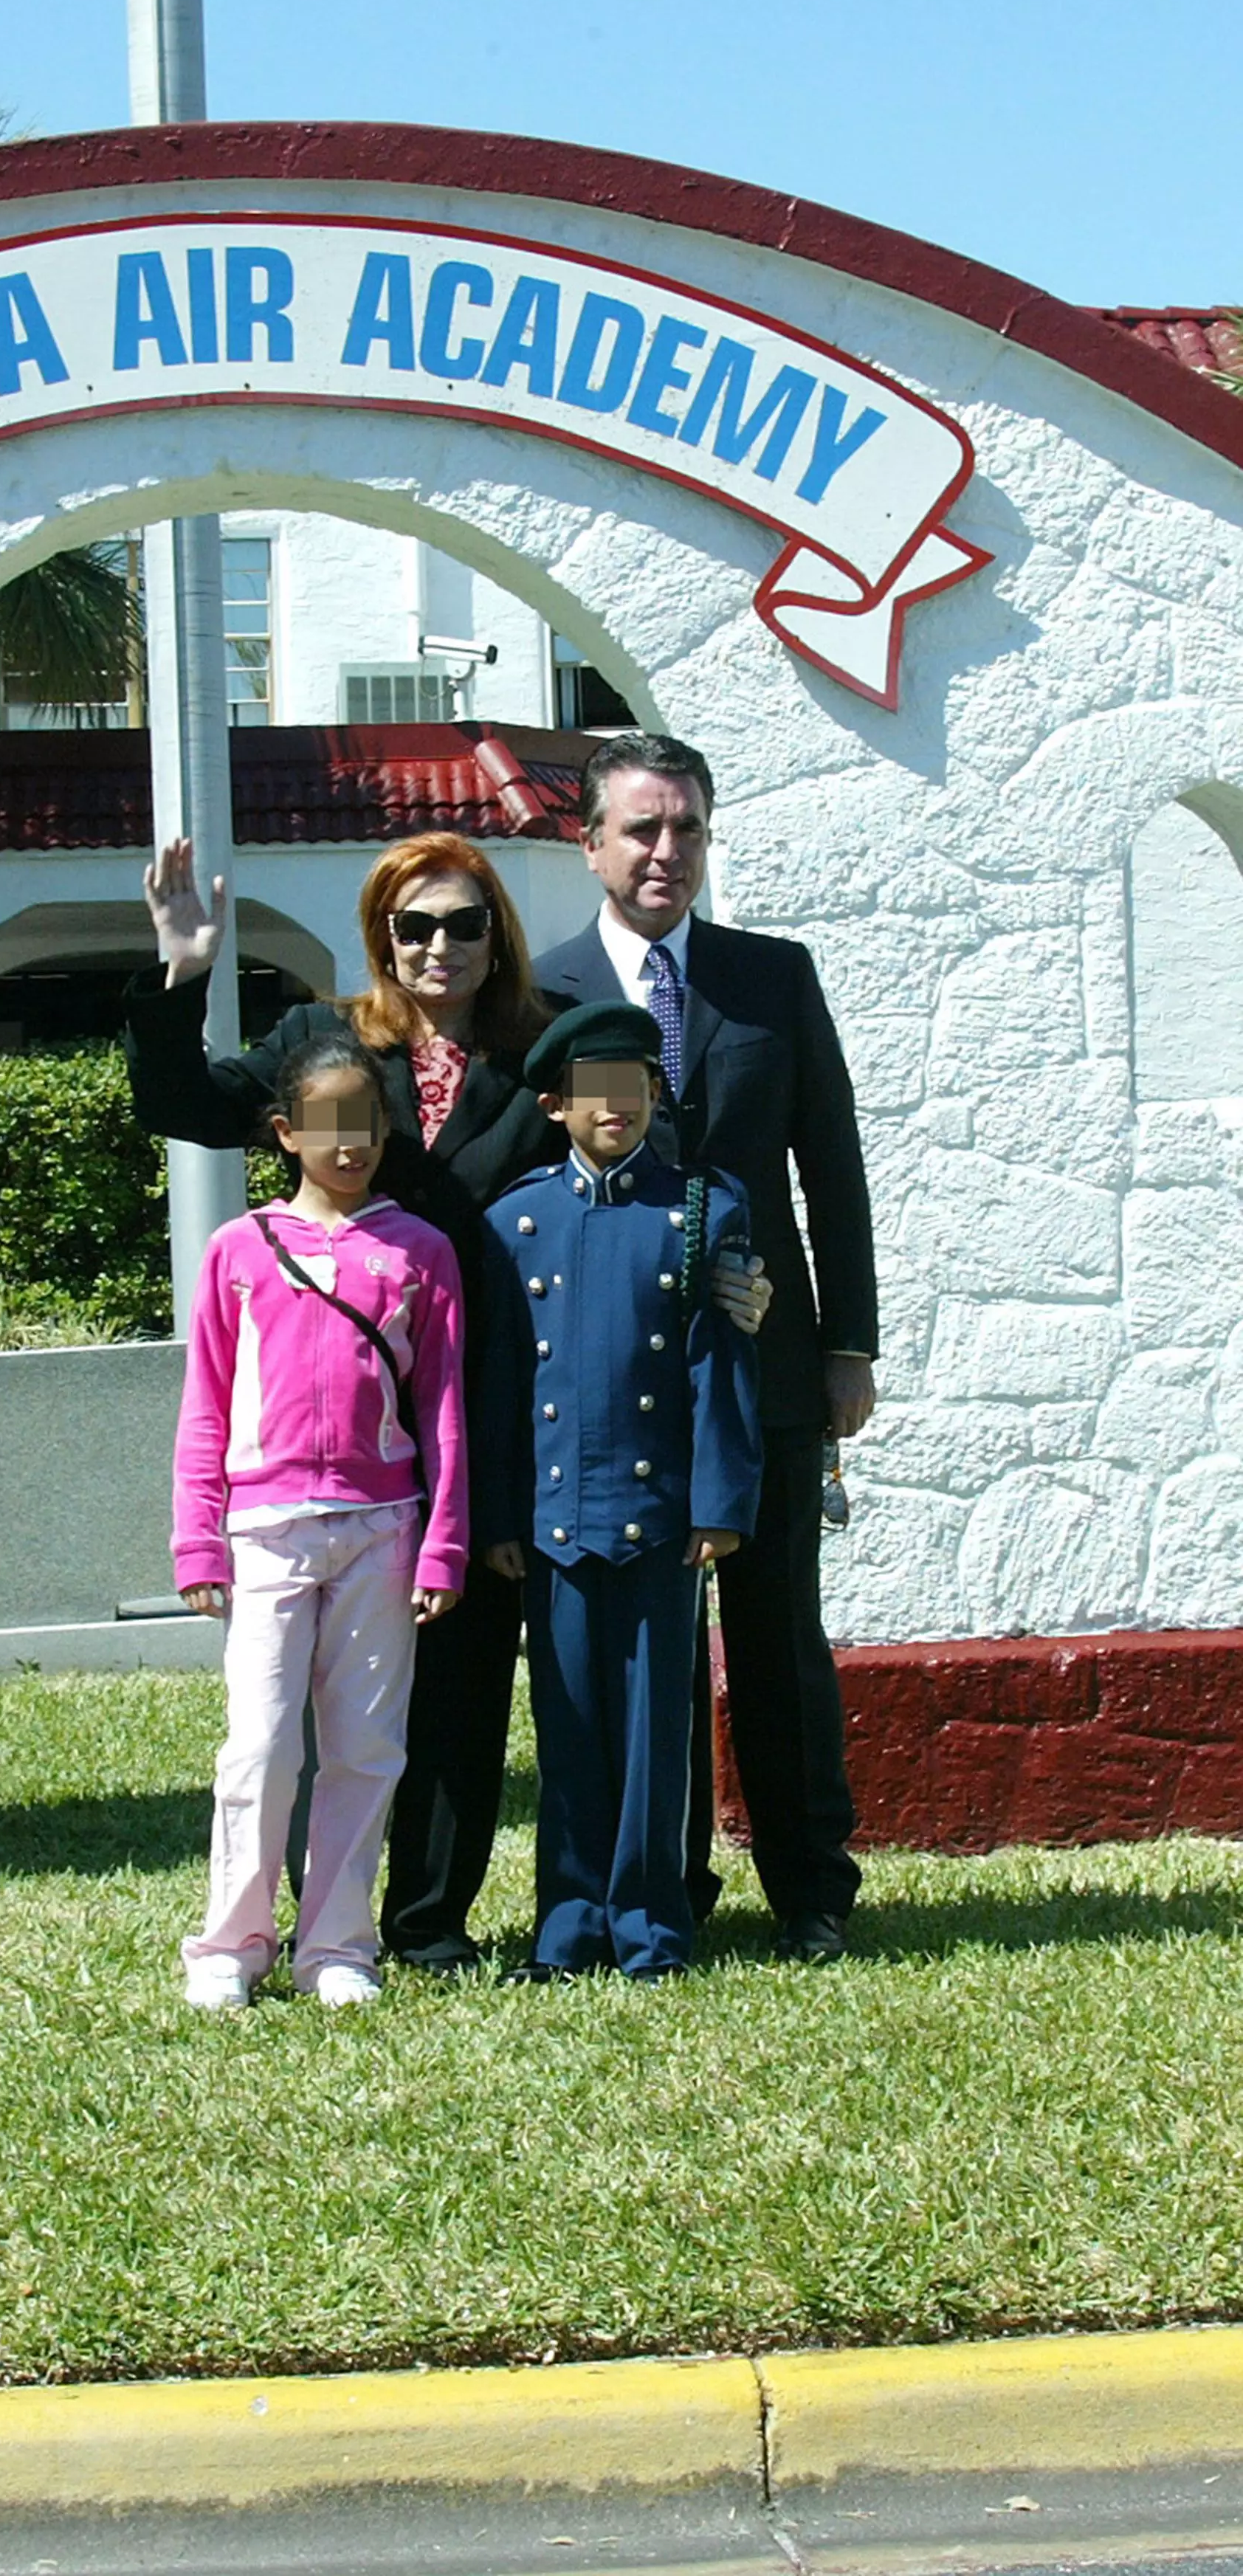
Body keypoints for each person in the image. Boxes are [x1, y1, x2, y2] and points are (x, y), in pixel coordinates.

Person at [128, 827, 769, 1973]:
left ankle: (453, 1921)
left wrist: (738, 1273)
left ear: (496, 937)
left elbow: (654, 1182)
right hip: (360, 1427)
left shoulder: (539, 1050)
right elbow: (178, 1098)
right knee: (370, 1702)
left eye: (464, 924)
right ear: (382, 936)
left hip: (518, 1414)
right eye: (412, 925)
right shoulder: (323, 1046)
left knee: (478, 1681)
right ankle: (349, 1924)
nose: (438, 946)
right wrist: (183, 971)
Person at [534, 731, 878, 1962]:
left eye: (685, 828)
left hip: (767, 1366)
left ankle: (810, 1889)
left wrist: (850, 1343)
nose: (665, 852)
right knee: (646, 1650)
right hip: (616, 1382)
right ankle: (661, 1888)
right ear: (592, 844)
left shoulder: (770, 977)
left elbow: (830, 1170)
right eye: (641, 829)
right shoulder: (545, 988)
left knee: (778, 1631)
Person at [172, 1033, 466, 2011]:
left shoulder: (419, 1252)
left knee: (365, 1747)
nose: (349, 1146)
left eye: (366, 1125)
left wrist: (444, 1541)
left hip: (382, 1527)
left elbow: (444, 1410)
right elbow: (206, 1406)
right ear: (287, 1134)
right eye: (327, 1126)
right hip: (264, 1530)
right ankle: (232, 1940)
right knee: (260, 1743)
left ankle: (337, 1942)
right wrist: (196, 1536)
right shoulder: (239, 1251)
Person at [477, 1004, 762, 1981]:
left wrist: (721, 1503)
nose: (615, 1108)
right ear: (556, 1104)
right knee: (567, 1733)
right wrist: (502, 1512)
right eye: (595, 1091)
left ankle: (651, 1928)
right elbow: (504, 1388)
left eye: (633, 1087)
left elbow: (715, 1368)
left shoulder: (702, 1211)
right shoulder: (516, 1222)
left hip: (660, 1518)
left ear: (652, 1097)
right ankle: (570, 1929)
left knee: (654, 1738)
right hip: (554, 1519)